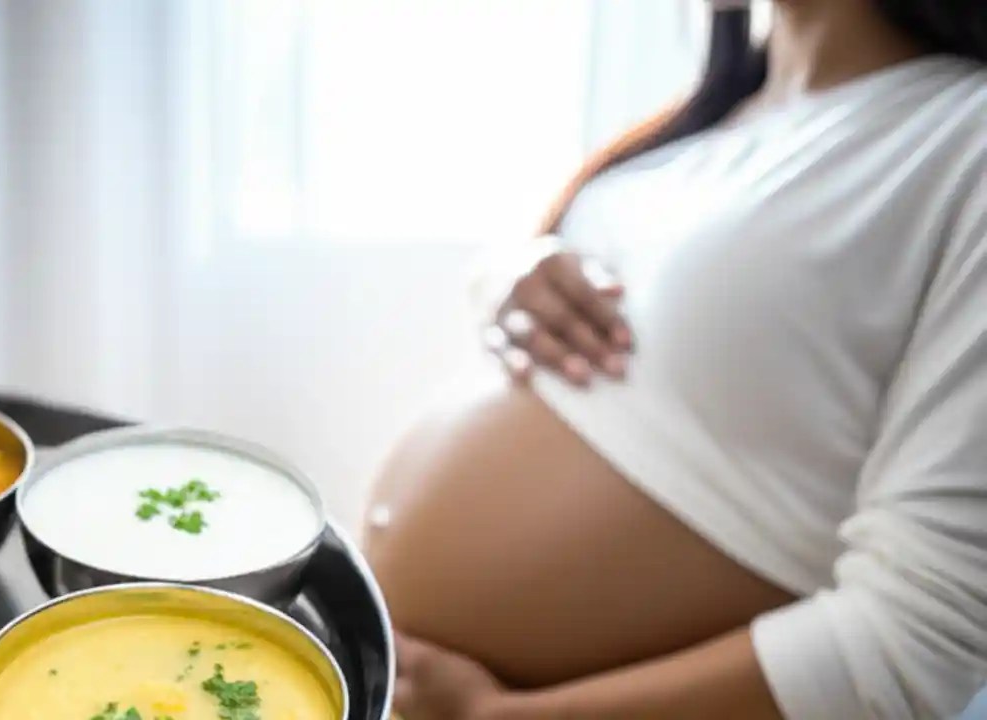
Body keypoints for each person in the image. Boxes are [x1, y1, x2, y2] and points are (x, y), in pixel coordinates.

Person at [364, 1, 987, 718]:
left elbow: (919, 636)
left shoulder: (961, 137)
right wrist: (513, 279)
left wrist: (497, 718)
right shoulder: (720, 121)